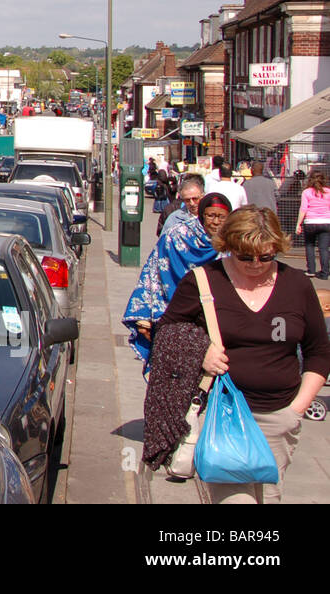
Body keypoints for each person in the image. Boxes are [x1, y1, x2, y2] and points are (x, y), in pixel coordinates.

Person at [160, 206, 330, 503]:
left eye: (266, 256)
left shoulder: (298, 284)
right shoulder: (203, 281)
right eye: (245, 256)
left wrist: (297, 409)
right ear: (228, 247)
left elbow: (318, 351)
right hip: (222, 416)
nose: (256, 264)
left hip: (279, 417)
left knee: (269, 499)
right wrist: (201, 352)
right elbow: (167, 333)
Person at [124, 192, 233, 367]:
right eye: (211, 216)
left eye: (222, 217)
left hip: (216, 324)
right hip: (173, 319)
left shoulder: (233, 243)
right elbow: (153, 272)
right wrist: (145, 316)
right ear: (202, 215)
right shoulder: (175, 236)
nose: (216, 222)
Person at [295, 171, 330, 280]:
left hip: (310, 222)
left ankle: (311, 270)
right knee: (323, 248)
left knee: (309, 246)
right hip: (326, 222)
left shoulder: (306, 192)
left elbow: (303, 209)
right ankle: (325, 273)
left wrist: (298, 224)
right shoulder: (328, 192)